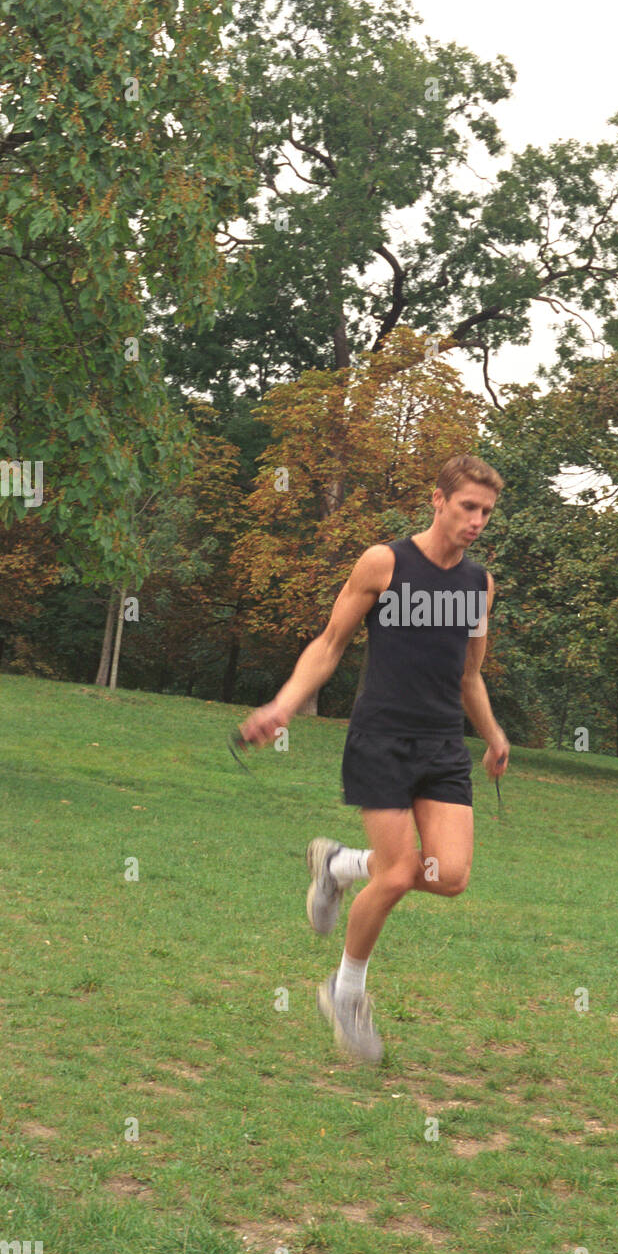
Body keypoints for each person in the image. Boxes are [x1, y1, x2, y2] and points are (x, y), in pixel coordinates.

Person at [239, 455, 509, 1063]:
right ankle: (346, 989)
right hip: (382, 738)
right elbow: (330, 643)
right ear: (437, 499)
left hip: (442, 745)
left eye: (487, 512)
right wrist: (284, 706)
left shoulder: (478, 584)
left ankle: (338, 866)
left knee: (451, 877)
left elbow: (470, 675)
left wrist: (492, 735)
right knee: (397, 872)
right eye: (468, 506)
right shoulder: (384, 562)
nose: (477, 521)